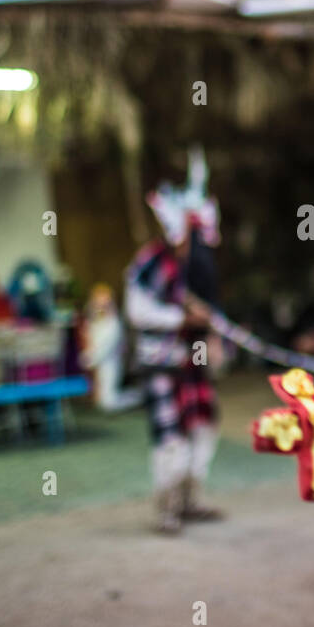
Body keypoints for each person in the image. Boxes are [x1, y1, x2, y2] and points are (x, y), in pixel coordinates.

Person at [125, 148, 225, 534]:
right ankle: (167, 506)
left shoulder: (194, 265)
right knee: (171, 437)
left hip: (192, 362)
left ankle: (190, 499)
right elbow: (137, 310)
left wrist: (208, 326)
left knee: (202, 426)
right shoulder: (151, 262)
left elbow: (203, 308)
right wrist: (181, 316)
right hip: (161, 362)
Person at [81, 283, 140, 412]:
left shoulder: (114, 323)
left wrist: (88, 360)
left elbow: (104, 350)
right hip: (95, 358)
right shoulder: (92, 319)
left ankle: (139, 395)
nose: (101, 304)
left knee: (108, 403)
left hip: (109, 362)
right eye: (98, 301)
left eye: (104, 301)